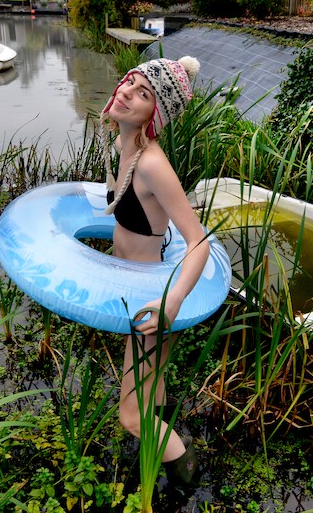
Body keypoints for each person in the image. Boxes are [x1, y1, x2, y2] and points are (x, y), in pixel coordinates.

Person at [101, 55, 209, 486]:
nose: (127, 90)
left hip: (151, 302)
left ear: (155, 116)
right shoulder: (122, 144)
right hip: (131, 281)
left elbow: (196, 241)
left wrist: (171, 302)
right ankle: (159, 442)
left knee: (130, 415)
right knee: (152, 392)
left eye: (143, 93)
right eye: (131, 81)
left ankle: (190, 482)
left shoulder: (151, 163)